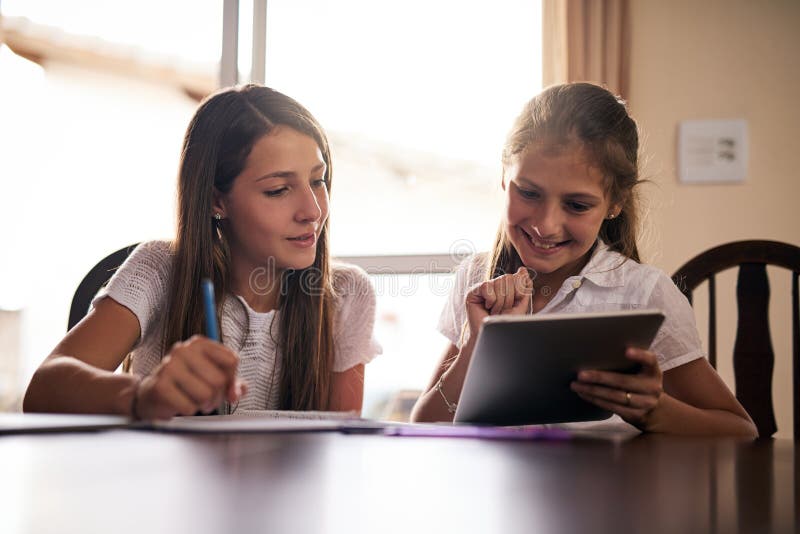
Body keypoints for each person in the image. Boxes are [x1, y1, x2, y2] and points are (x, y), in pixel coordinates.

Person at [410, 83, 756, 437]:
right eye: (528, 193)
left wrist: (654, 411)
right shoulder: (477, 279)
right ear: (503, 177)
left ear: (615, 203)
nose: (545, 225)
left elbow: (741, 430)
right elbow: (424, 427)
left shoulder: (644, 293)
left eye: (576, 205)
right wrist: (474, 345)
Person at [24, 85, 381, 420]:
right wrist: (143, 395)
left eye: (318, 180)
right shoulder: (161, 268)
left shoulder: (347, 294)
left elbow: (339, 445)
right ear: (216, 201)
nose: (313, 210)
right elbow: (43, 390)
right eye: (278, 190)